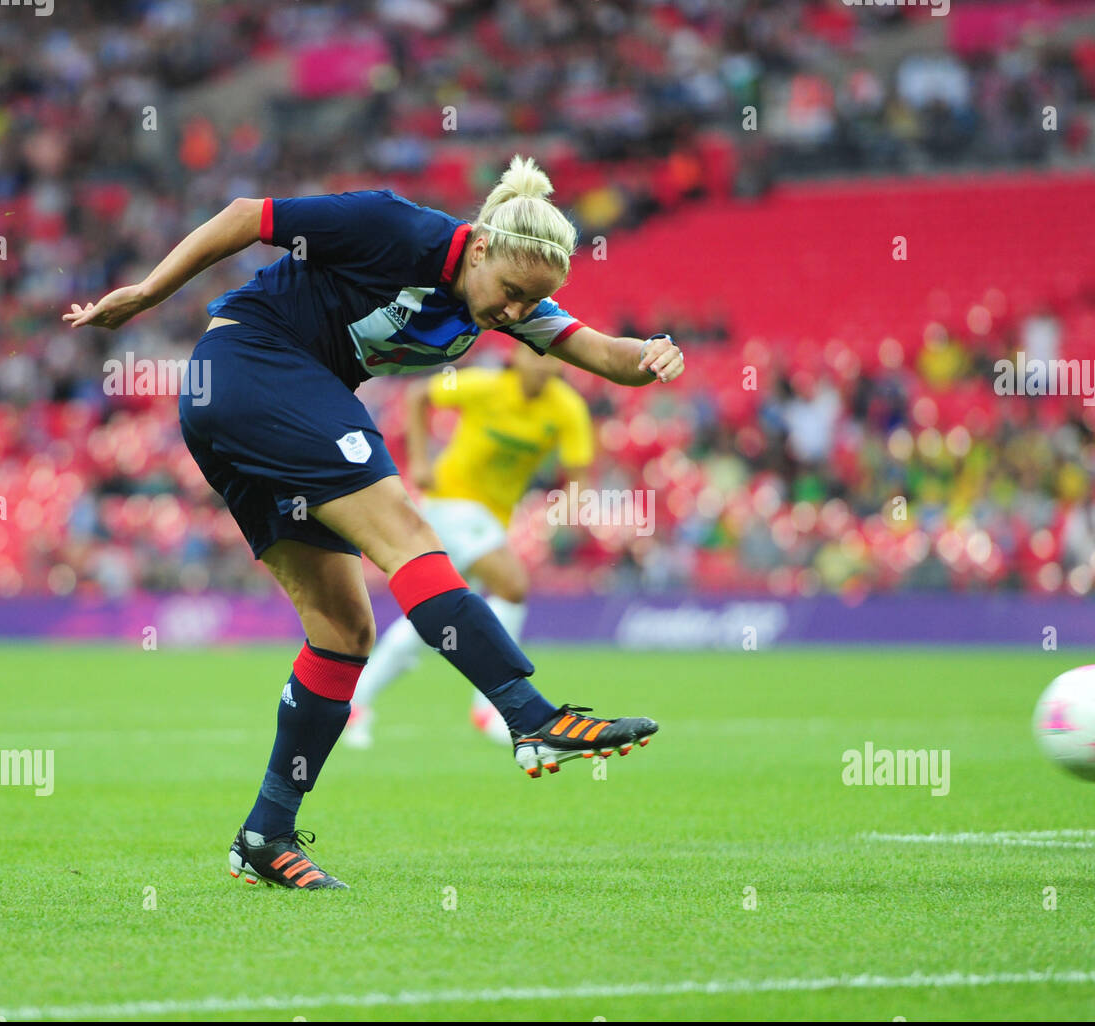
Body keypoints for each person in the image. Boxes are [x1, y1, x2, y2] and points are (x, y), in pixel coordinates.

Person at [63, 156, 684, 890]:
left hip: (259, 406)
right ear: (480, 246)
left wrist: (649, 359)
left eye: (531, 304)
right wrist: (145, 294)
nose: (516, 314)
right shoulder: (393, 227)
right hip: (252, 365)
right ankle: (528, 713)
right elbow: (245, 216)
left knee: (342, 631)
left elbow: (599, 353)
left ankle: (266, 833)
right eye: (514, 296)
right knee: (409, 537)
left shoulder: (504, 295)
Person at [345, 344, 594, 748]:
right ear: (519, 358)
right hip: (451, 501)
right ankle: (491, 708)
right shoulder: (486, 385)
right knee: (512, 586)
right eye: (535, 355)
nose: (541, 364)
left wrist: (561, 513)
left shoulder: (567, 409)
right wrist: (421, 460)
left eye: (551, 358)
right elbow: (417, 394)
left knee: (439, 613)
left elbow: (580, 476)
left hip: (493, 519)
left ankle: (356, 699)